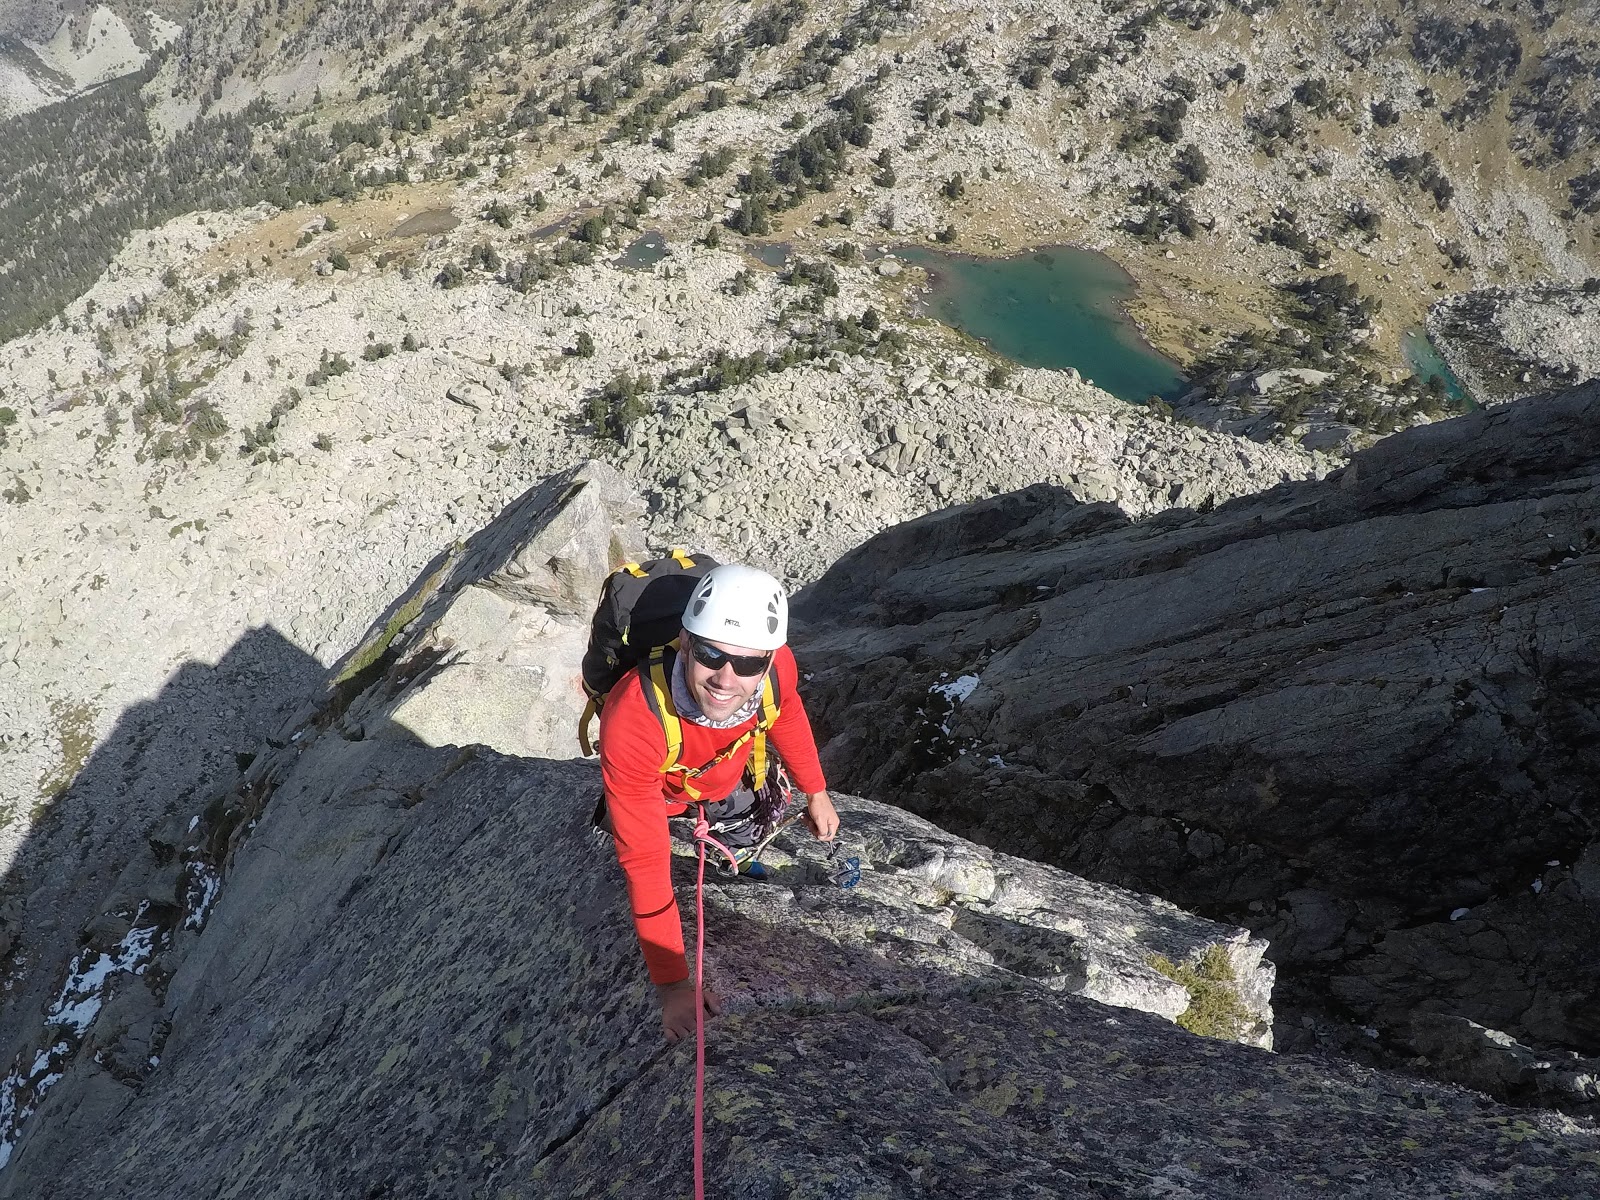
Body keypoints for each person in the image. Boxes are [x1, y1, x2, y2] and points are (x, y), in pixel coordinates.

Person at [597, 562, 839, 1041]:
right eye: (711, 654)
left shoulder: (778, 672)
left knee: (746, 820)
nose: (727, 679)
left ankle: (729, 833)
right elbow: (646, 865)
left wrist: (817, 792)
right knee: (636, 837)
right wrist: (674, 987)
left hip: (726, 779)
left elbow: (787, 716)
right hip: (662, 786)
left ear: (770, 660)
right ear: (685, 643)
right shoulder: (634, 718)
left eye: (748, 664)